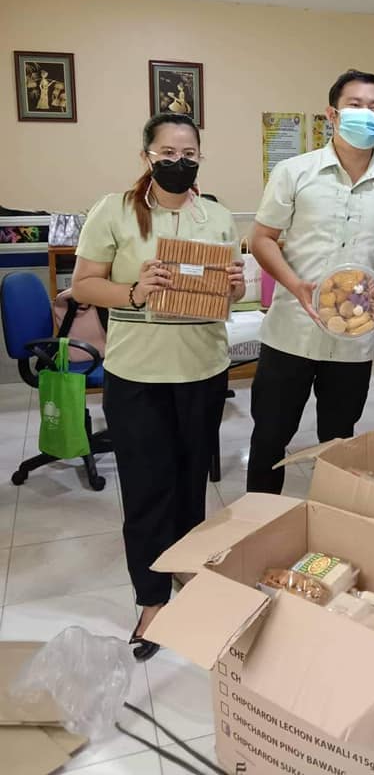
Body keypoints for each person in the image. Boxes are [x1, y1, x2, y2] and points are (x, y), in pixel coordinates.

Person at [71, 112, 245, 660]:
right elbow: (84, 285)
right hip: (138, 375)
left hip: (203, 370)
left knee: (191, 484)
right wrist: (135, 290)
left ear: (200, 155)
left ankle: (187, 572)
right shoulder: (116, 210)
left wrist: (235, 287)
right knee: (148, 490)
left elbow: (224, 298)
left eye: (187, 152)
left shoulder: (216, 217)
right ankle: (151, 600)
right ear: (147, 155)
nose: (178, 161)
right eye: (166, 153)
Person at [247, 69, 374, 494]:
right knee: (271, 435)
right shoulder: (294, 172)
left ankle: (330, 523)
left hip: (353, 338)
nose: (366, 114)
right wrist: (296, 285)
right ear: (332, 114)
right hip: (291, 331)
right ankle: (259, 524)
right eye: (355, 105)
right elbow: (262, 239)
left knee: (339, 441)